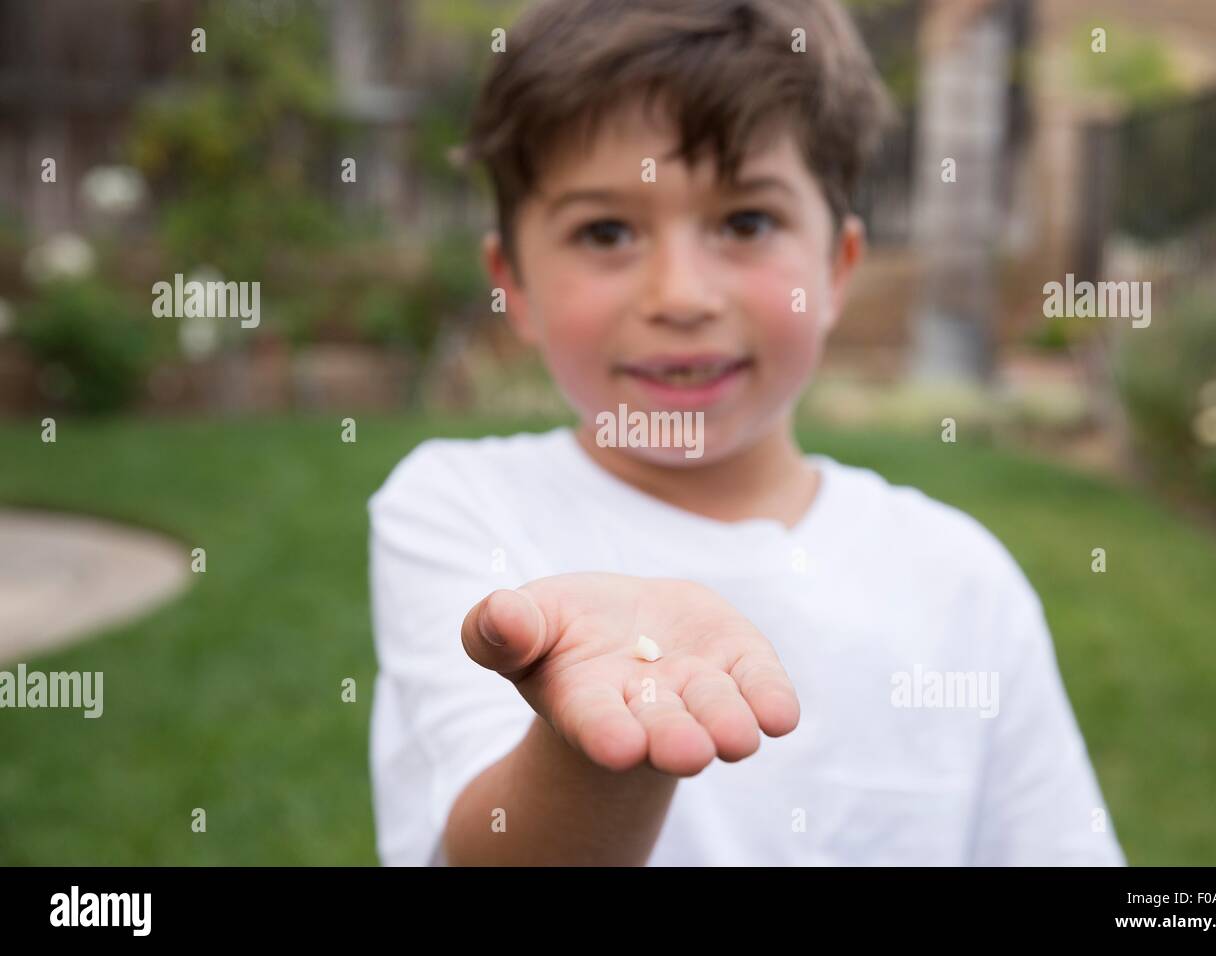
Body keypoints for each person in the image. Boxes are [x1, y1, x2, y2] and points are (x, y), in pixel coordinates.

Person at [368, 0, 1125, 867]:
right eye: (605, 231)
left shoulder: (964, 583)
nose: (681, 295)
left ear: (836, 268)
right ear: (516, 286)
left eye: (746, 223)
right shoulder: (462, 511)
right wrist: (599, 751)